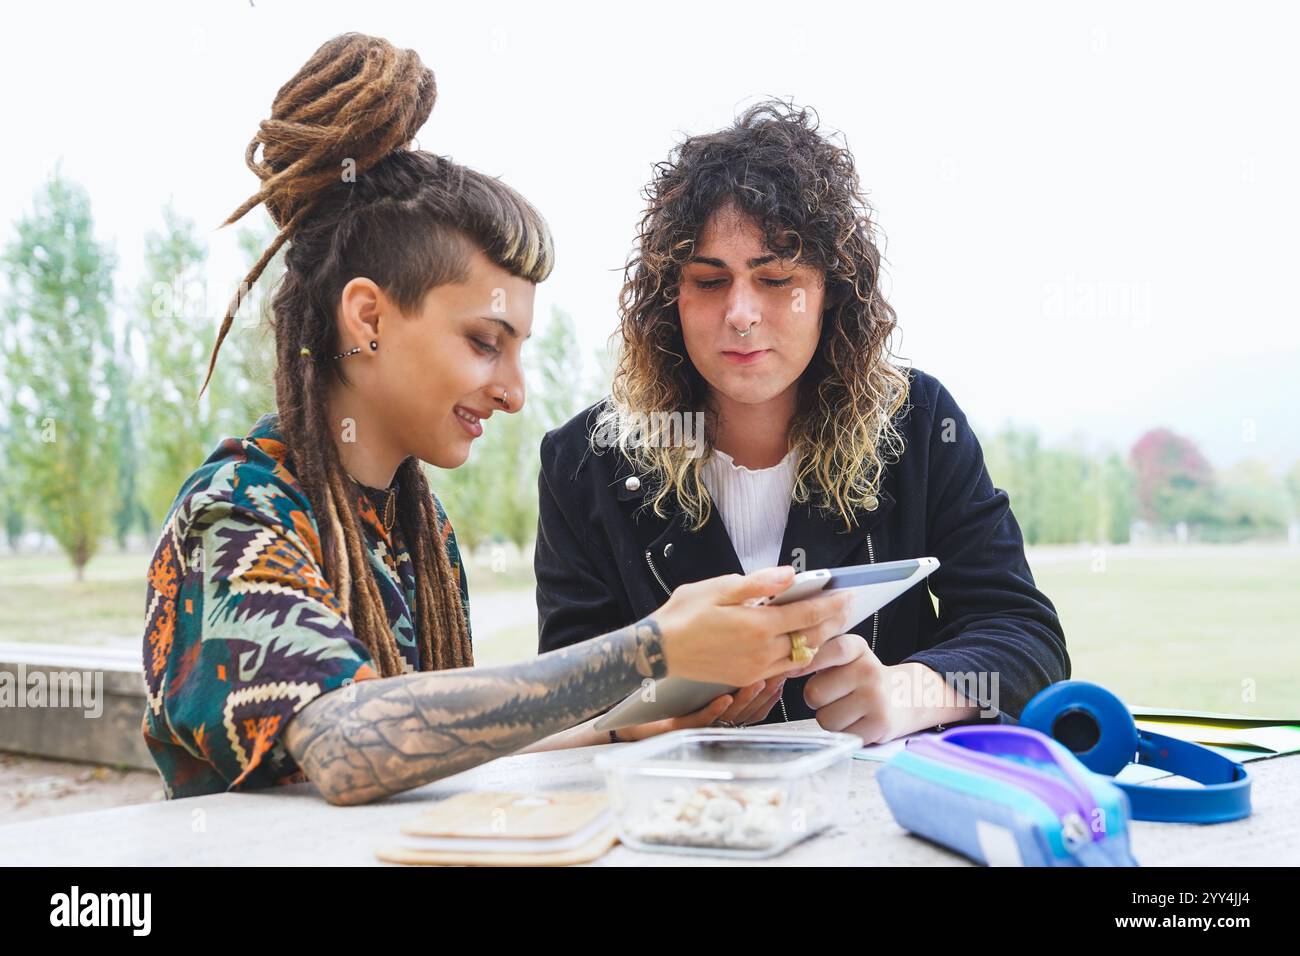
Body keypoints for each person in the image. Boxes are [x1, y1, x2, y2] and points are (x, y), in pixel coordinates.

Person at [141, 37, 854, 806]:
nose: (514, 393)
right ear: (368, 318)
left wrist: (626, 725)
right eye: (485, 343)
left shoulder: (422, 529)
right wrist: (648, 651)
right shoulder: (235, 514)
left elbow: (443, 738)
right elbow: (348, 744)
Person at [535, 101, 1070, 744]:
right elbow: (563, 691)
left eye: (776, 279)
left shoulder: (920, 424)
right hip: (676, 825)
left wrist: (905, 692)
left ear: (831, 292)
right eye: (709, 281)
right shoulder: (585, 458)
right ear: (667, 298)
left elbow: (1025, 636)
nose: (740, 313)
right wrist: (651, 715)